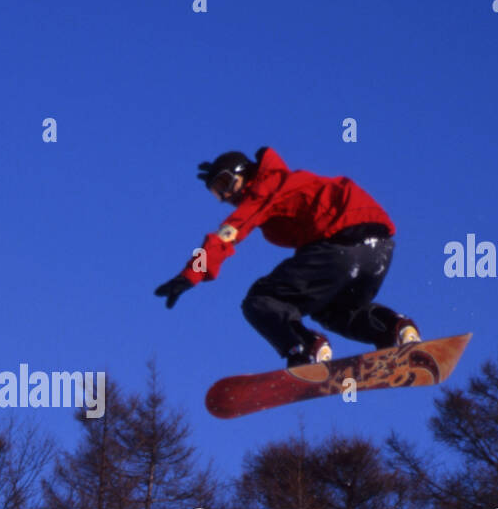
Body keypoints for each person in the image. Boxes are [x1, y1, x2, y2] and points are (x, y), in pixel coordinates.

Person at [154, 147, 420, 367]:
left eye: (225, 183)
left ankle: (304, 348)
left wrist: (190, 274)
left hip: (341, 246)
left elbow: (228, 233)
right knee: (331, 310)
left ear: (244, 173)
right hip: (377, 251)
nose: (225, 196)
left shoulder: (267, 186)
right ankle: (393, 330)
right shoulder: (289, 184)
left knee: (261, 300)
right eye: (216, 192)